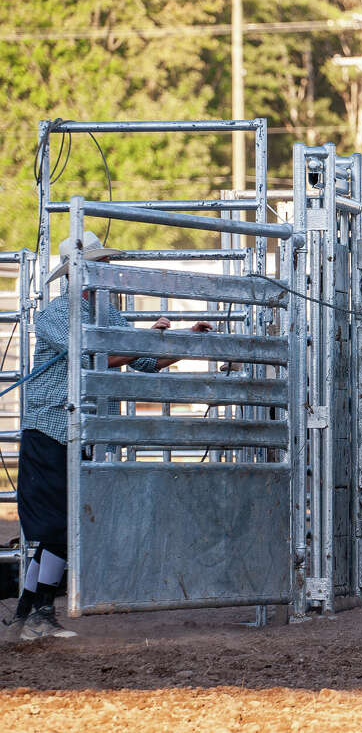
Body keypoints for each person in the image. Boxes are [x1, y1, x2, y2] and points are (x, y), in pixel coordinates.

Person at [6, 232, 213, 640]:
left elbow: (144, 361)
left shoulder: (105, 313)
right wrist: (148, 338)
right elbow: (96, 355)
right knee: (60, 526)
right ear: (79, 271)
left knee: (61, 525)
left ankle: (29, 614)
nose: (106, 270)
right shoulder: (58, 313)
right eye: (99, 264)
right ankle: (37, 613)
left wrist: (184, 339)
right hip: (52, 427)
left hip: (76, 431)